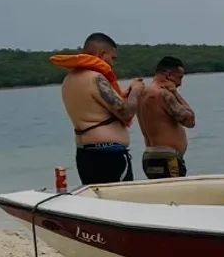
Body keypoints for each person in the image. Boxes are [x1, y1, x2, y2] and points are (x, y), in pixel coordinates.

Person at [54, 33, 144, 185]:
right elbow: (126, 113)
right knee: (119, 199)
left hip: (85, 154)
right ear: (101, 54)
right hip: (108, 155)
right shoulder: (96, 78)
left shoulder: (68, 80)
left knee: (95, 199)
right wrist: (136, 91)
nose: (113, 63)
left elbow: (98, 108)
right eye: (112, 58)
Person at [138, 56, 196, 179]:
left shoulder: (142, 93)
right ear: (169, 75)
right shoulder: (163, 94)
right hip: (167, 158)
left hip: (149, 156)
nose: (180, 83)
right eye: (179, 77)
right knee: (176, 191)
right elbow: (190, 120)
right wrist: (176, 94)